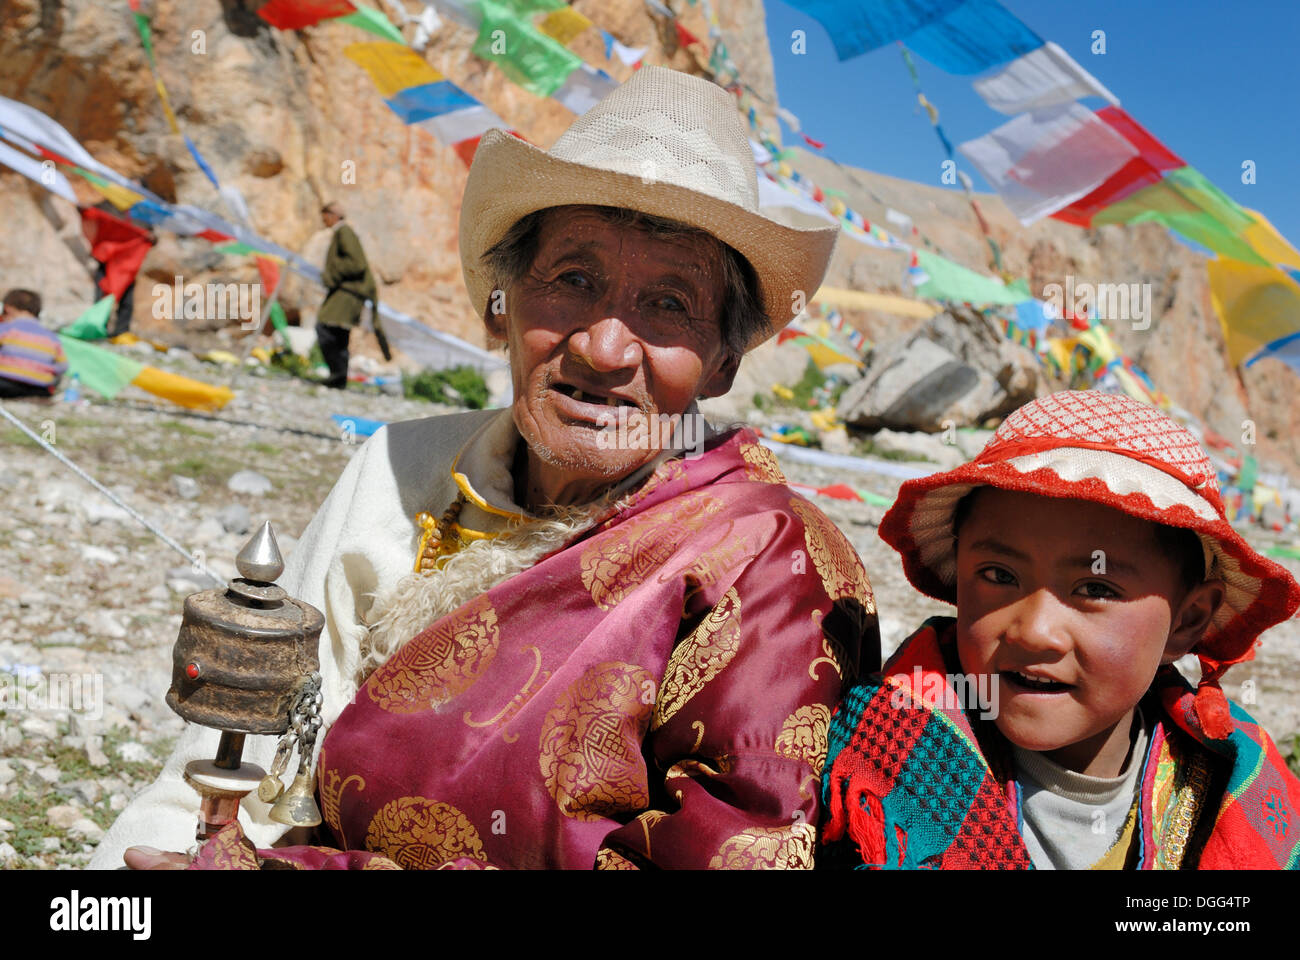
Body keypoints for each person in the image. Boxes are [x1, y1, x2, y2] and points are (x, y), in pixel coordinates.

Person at [94, 65, 878, 870]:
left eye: (670, 304)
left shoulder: (765, 559)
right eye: (573, 280)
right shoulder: (401, 467)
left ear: (721, 364)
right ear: (503, 307)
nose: (603, 349)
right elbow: (236, 764)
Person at [820, 390, 1300, 870]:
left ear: (1188, 620)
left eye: (1095, 588)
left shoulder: (1232, 793)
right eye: (999, 575)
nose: (1034, 632)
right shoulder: (877, 759)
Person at [315, 202, 389, 388]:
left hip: (349, 292)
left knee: (326, 327)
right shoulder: (342, 233)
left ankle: (337, 375)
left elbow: (357, 264)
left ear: (332, 215)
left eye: (324, 216)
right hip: (348, 291)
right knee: (338, 333)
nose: (323, 220)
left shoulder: (344, 233)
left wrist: (331, 273)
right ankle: (338, 379)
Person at [0, 289, 68, 399]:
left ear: (8, 308)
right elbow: (63, 366)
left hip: (6, 384)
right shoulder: (51, 336)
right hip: (40, 389)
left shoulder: (6, 328)